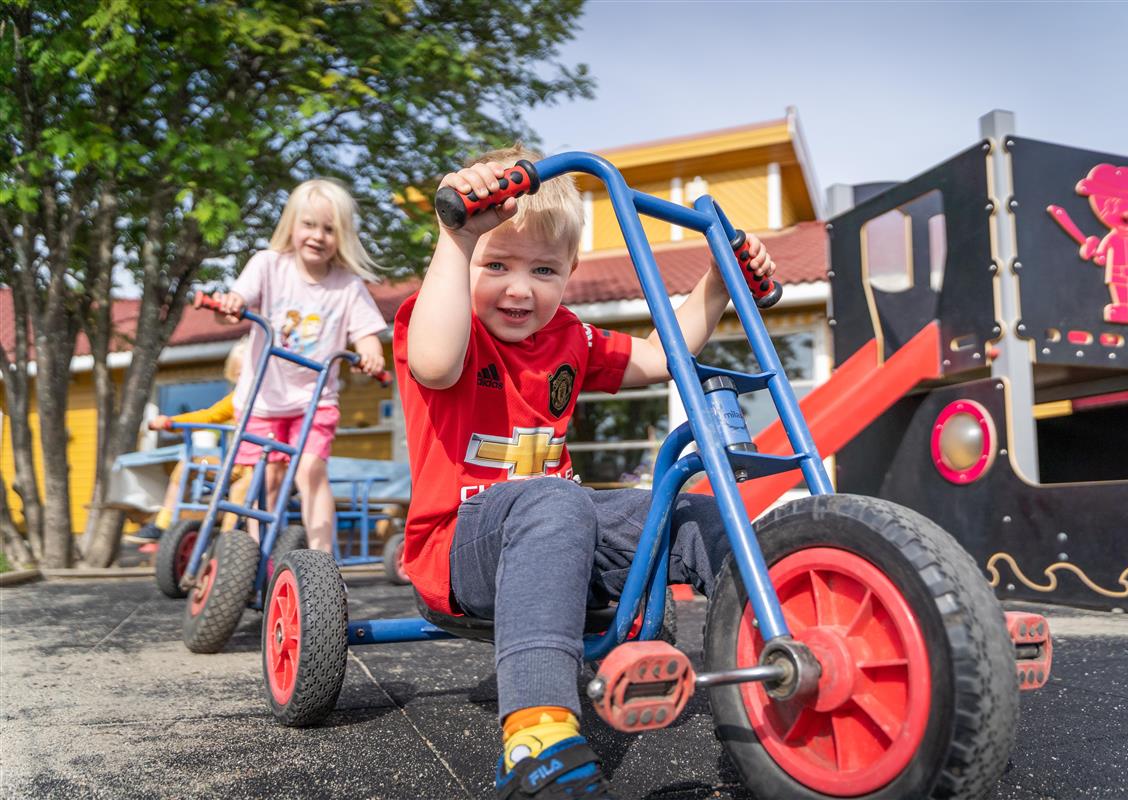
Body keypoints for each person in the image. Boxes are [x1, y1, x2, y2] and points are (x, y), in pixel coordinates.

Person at [393, 146, 776, 799]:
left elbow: (658, 357)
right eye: (496, 264)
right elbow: (432, 362)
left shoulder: (571, 337)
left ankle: (781, 654)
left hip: (561, 529)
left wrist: (718, 282)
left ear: (570, 272)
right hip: (461, 546)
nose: (520, 288)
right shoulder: (445, 324)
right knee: (554, 499)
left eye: (544, 269)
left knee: (692, 511)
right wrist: (456, 239)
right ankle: (535, 737)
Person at [211, 178, 387, 553]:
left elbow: (366, 332)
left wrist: (370, 352)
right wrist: (231, 304)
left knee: (310, 469)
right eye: (309, 225)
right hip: (263, 399)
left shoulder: (347, 286)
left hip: (314, 400)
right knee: (269, 478)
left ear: (342, 236)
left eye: (329, 229)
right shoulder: (268, 265)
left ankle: (322, 561)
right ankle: (258, 558)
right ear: (291, 224)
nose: (318, 236)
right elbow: (235, 304)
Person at [127, 339, 252, 543]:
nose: (242, 379)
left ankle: (227, 544)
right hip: (234, 466)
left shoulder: (271, 399)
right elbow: (207, 416)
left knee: (240, 491)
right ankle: (163, 524)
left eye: (246, 373)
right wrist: (172, 422)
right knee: (189, 464)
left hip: (257, 470)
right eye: (238, 374)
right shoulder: (236, 399)